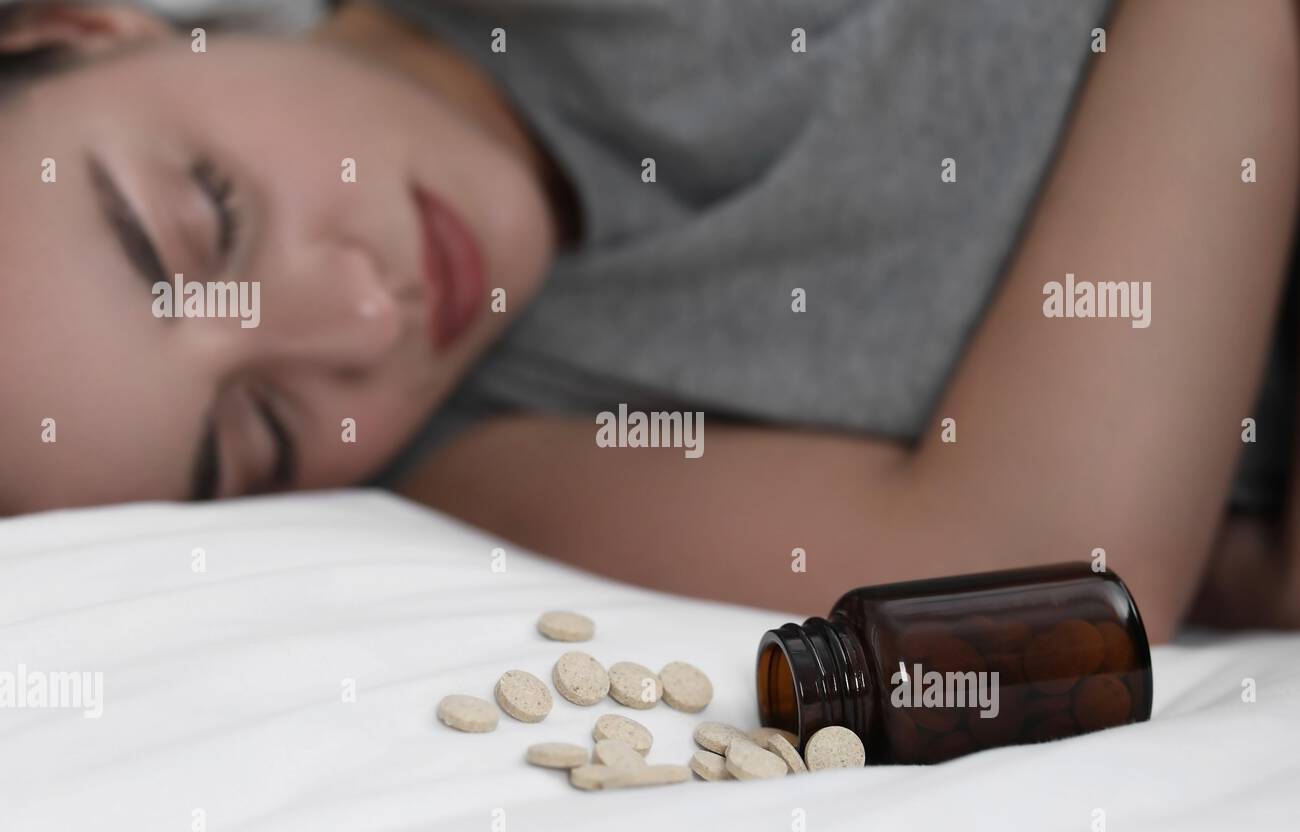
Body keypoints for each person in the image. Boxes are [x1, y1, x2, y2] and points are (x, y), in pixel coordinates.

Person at [2, 0, 1298, 644]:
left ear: (90, 26)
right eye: (256, 435)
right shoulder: (482, 460)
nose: (360, 315)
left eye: (208, 222)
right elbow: (1046, 574)